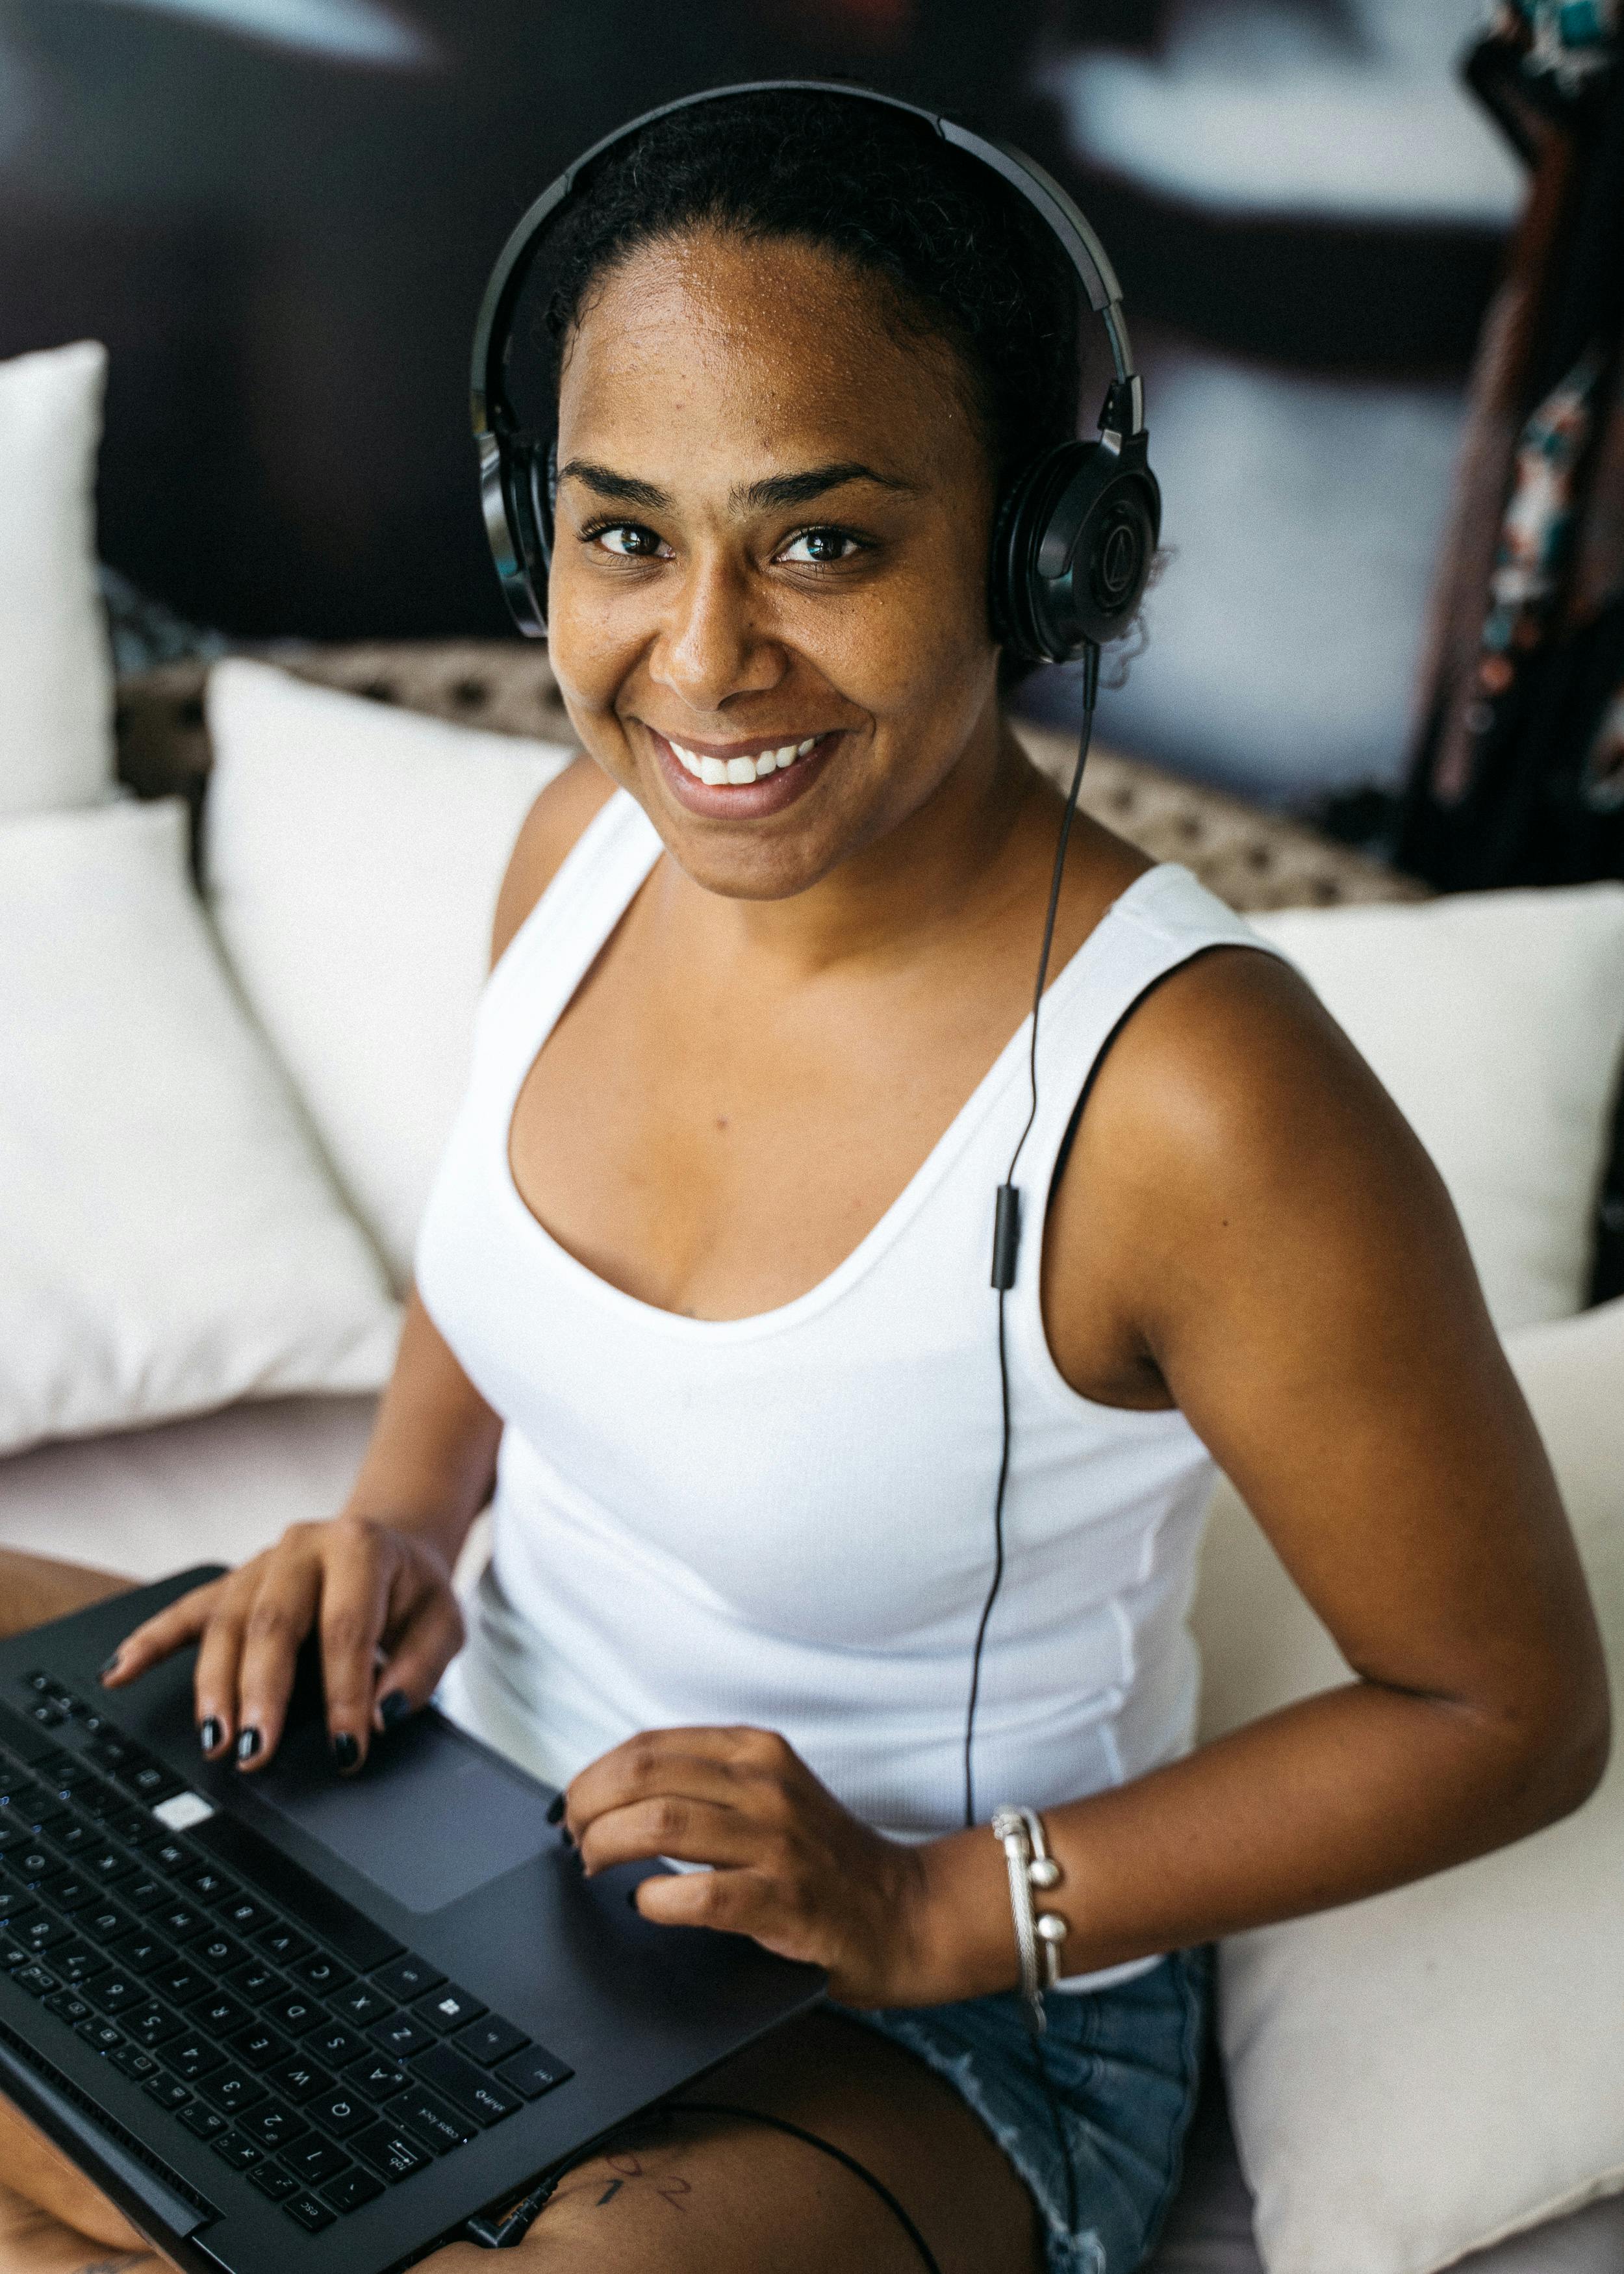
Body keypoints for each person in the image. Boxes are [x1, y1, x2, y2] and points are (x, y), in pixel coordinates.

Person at [0, 86, 1608, 2274]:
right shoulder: (580, 853)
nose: (703, 661)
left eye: (823, 541)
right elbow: (500, 1263)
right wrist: (393, 1518)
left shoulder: (1200, 1095)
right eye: (625, 535)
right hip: (454, 1802)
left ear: (1049, 554)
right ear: (526, 531)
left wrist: (933, 1900)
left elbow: (1501, 1708)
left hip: (918, 2010)